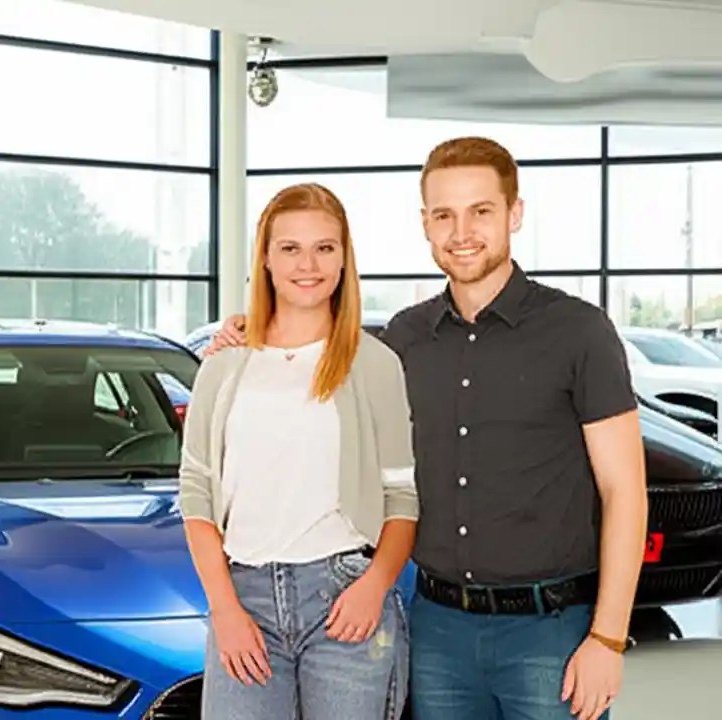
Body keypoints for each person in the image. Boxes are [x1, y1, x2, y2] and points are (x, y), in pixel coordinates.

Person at [204, 137, 647, 720]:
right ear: (426, 224)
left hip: (551, 632)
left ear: (514, 214)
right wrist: (243, 335)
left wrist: (608, 639)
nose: (461, 232)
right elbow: (310, 352)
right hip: (437, 628)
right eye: (444, 215)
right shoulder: (401, 344)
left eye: (480, 211)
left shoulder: (579, 332)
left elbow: (626, 493)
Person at [179, 182, 419, 719]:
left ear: (343, 258)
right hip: (244, 599)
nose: (307, 264)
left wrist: (374, 586)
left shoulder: (375, 364)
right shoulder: (223, 366)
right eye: (290, 248)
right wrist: (224, 609)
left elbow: (401, 497)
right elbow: (195, 494)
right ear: (265, 258)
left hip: (343, 599)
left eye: (324, 248)